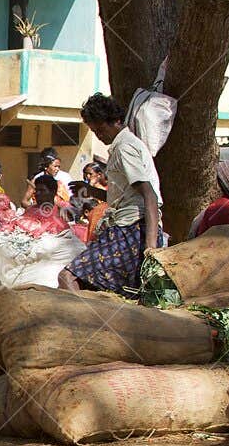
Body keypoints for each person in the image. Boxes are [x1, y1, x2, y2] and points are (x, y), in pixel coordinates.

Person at [62, 93, 162, 298]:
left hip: (132, 229)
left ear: (115, 121)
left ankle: (81, 323)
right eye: (94, 131)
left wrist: (151, 247)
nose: (99, 135)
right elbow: (126, 194)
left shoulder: (125, 147)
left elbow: (149, 194)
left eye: (100, 129)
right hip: (129, 228)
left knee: (68, 276)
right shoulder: (124, 146)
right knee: (106, 291)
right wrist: (91, 191)